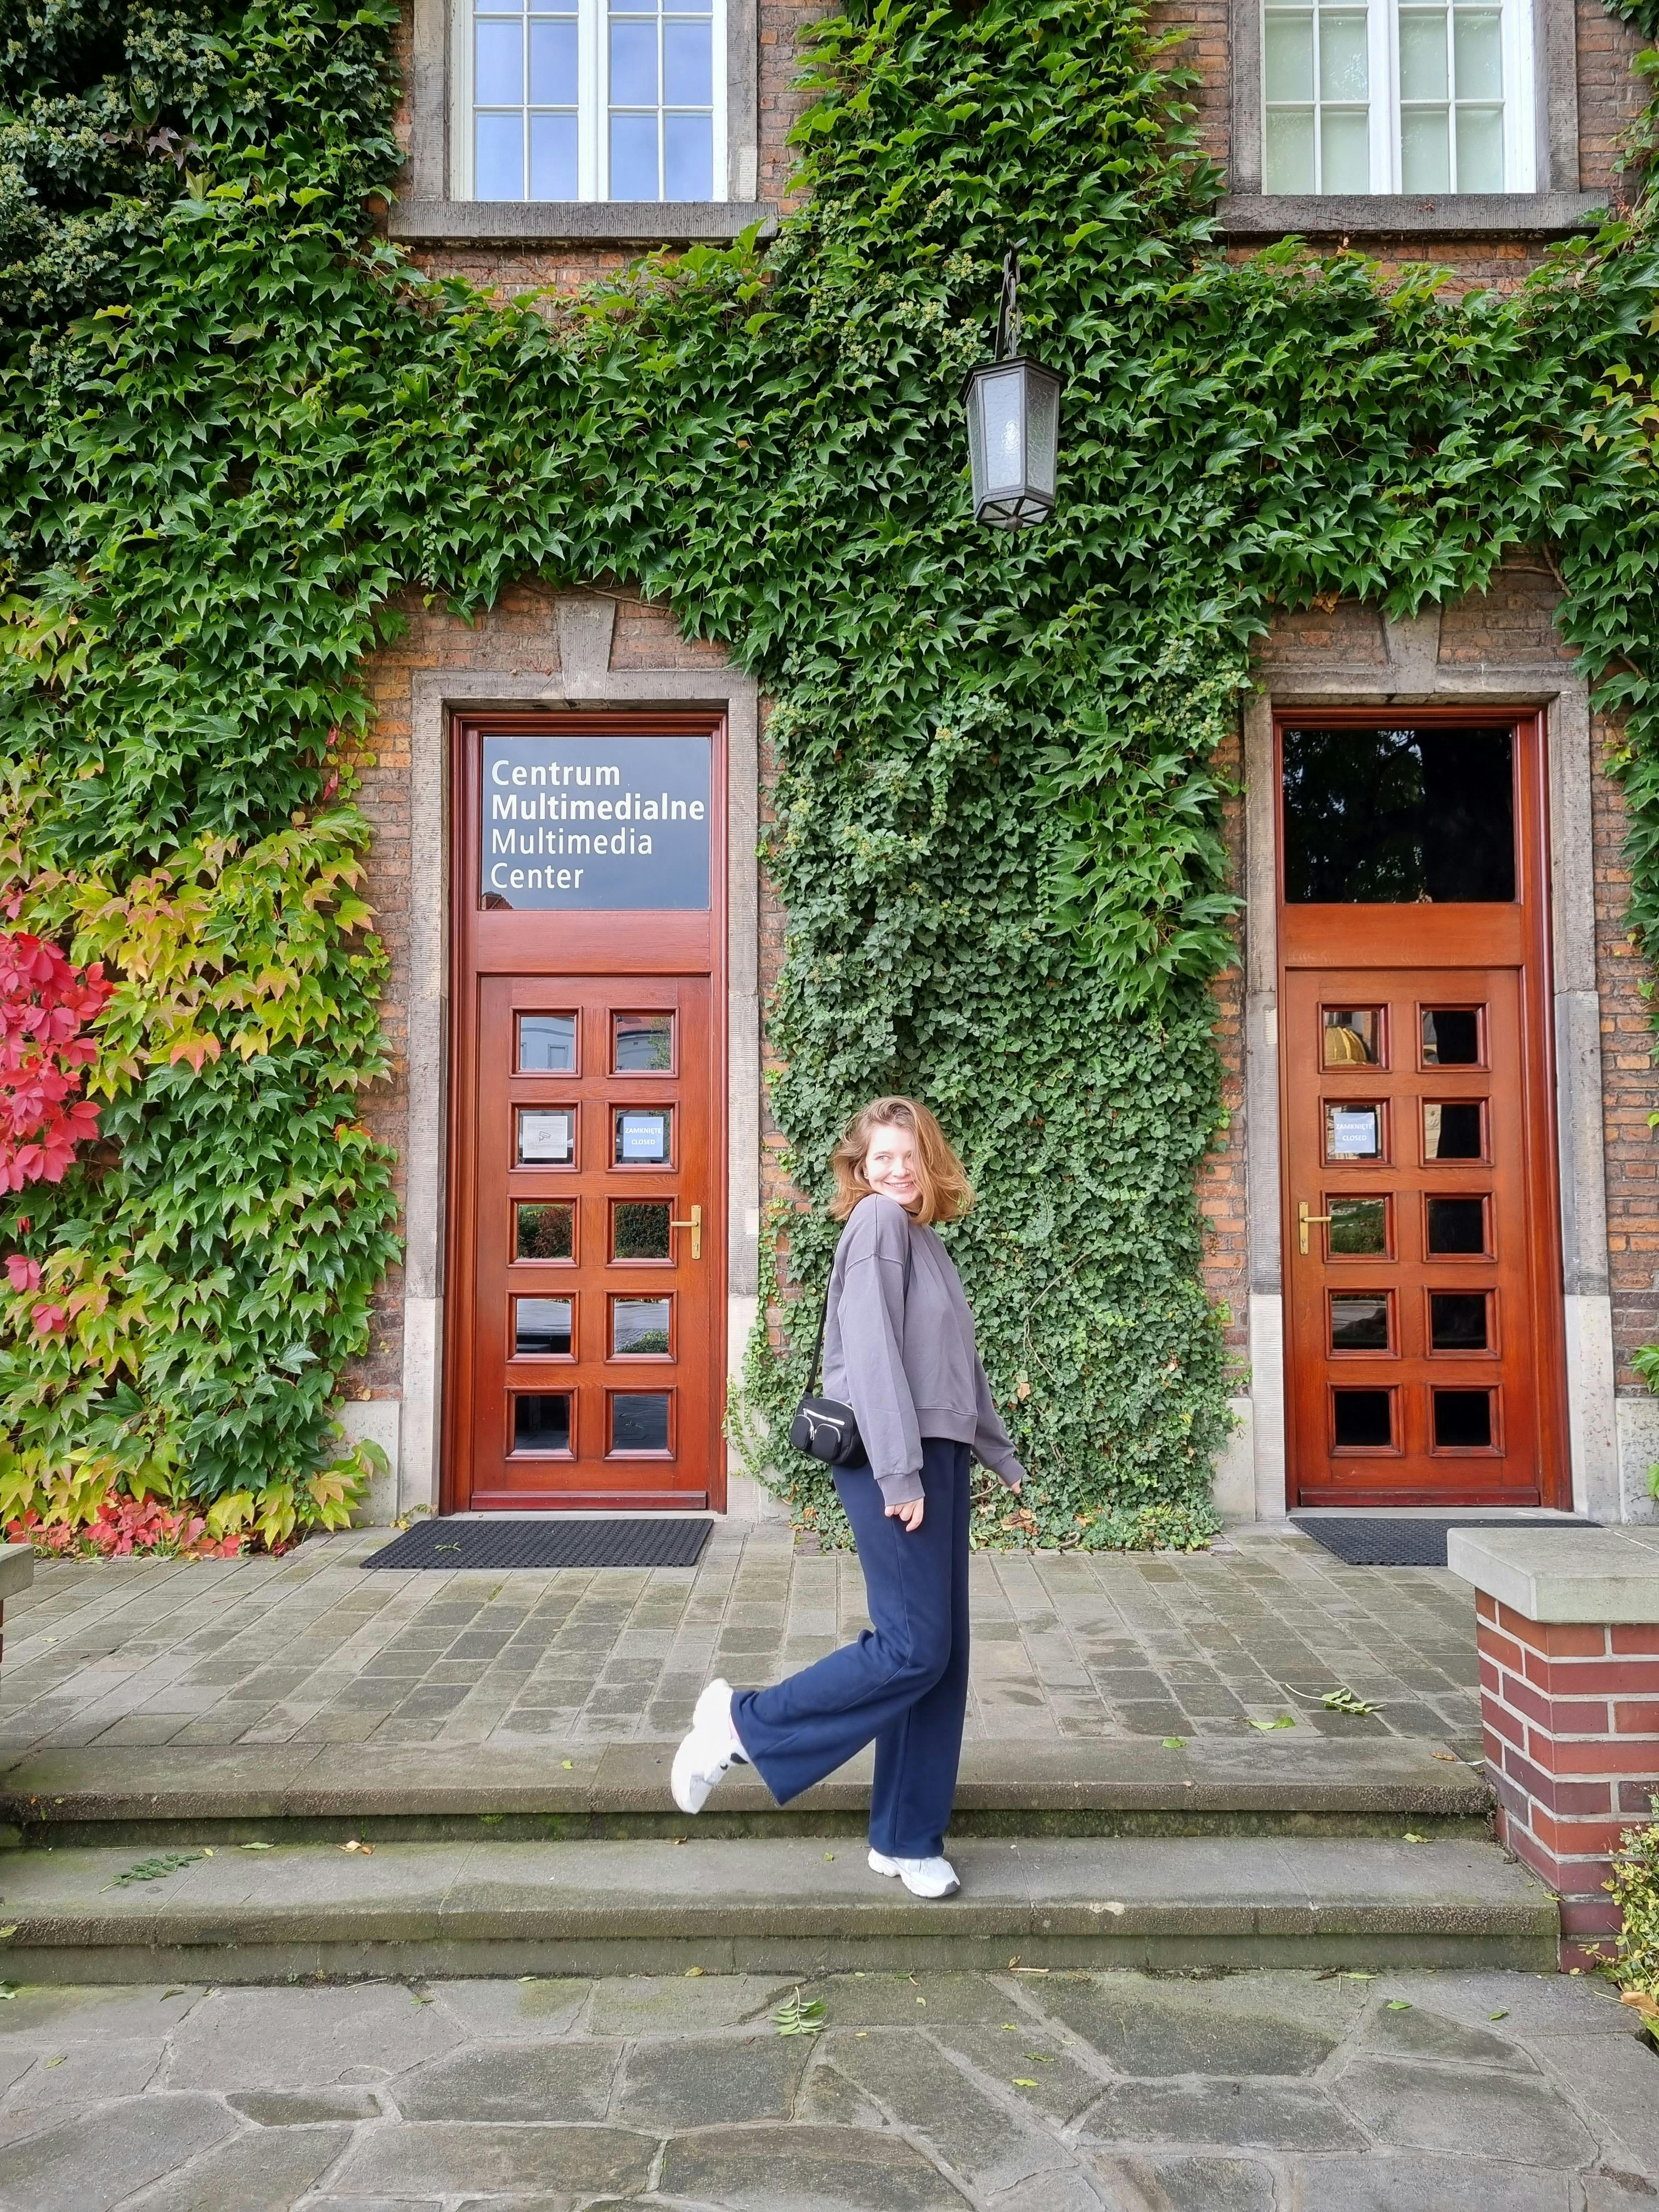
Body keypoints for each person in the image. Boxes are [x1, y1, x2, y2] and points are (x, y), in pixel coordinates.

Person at [669, 1094, 1025, 1898]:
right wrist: (903, 1475)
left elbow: (953, 1370)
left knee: (940, 1658)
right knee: (912, 1648)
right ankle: (740, 1725)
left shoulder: (923, 1238)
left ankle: (905, 1837)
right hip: (892, 1460)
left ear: (929, 1160)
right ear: (860, 1169)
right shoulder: (876, 1227)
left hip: (932, 1458)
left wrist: (994, 1454)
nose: (896, 1170)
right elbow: (868, 1361)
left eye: (909, 1156)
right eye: (881, 1159)